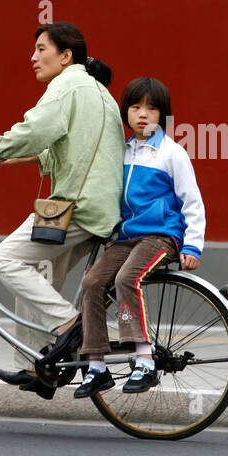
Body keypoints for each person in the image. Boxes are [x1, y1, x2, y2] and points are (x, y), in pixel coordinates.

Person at [0, 22, 123, 399]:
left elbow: (36, 128)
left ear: (66, 55)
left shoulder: (66, 85)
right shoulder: (97, 91)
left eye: (41, 49)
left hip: (77, 208)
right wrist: (10, 158)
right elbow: (63, 146)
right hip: (100, 208)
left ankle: (71, 325)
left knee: (4, 259)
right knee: (36, 271)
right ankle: (41, 367)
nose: (32, 57)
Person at [74, 77, 206, 398]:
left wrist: (192, 245)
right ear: (126, 113)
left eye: (151, 108)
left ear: (163, 114)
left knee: (126, 279)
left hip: (161, 236)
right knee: (91, 283)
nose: (143, 114)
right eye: (135, 107)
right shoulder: (122, 152)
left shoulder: (171, 153)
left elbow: (192, 201)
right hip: (126, 237)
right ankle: (96, 365)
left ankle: (144, 360)